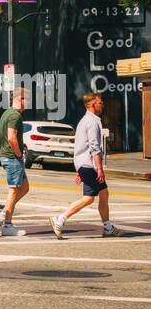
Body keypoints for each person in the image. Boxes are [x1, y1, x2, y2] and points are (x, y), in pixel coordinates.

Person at [51, 92, 121, 239]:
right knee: (89, 198)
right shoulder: (91, 122)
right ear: (92, 104)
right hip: (89, 165)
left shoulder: (86, 120)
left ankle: (107, 227)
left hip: (85, 164)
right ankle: (60, 219)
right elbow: (94, 147)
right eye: (100, 102)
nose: (103, 104)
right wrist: (99, 168)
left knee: (104, 193)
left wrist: (80, 169)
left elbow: (81, 145)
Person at [0, 88, 29, 237]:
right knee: (14, 190)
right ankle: (7, 225)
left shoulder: (7, 113)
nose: (27, 103)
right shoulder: (15, 116)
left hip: (9, 156)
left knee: (25, 187)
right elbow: (12, 138)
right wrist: (20, 155)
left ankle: (3, 214)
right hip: (13, 157)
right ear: (19, 99)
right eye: (26, 99)